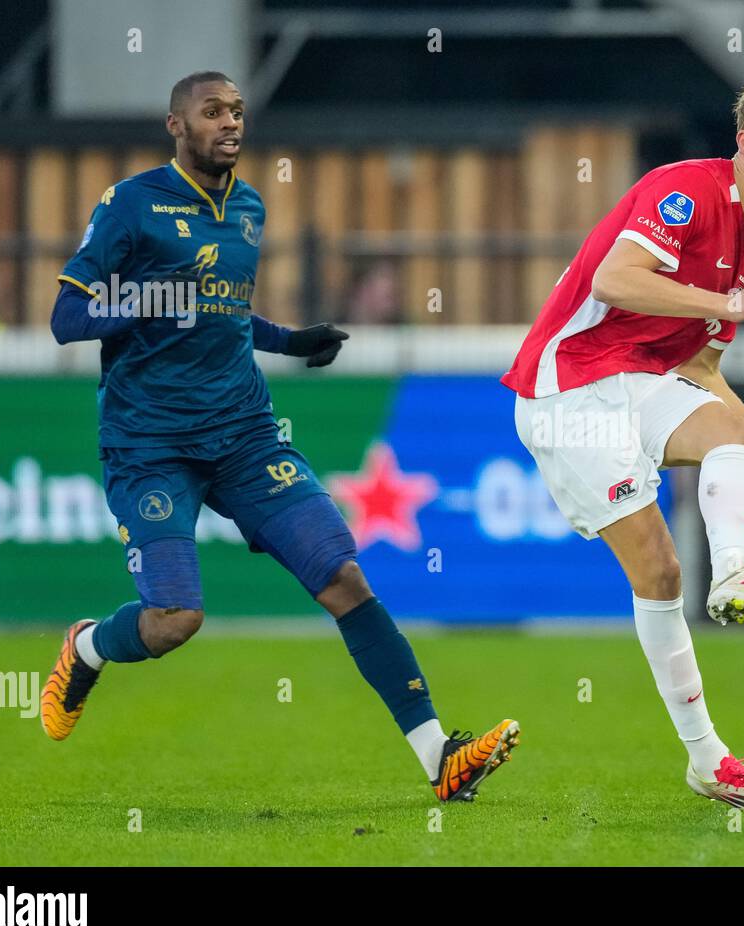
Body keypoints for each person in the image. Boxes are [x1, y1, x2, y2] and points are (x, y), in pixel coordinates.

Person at [43, 71, 518, 803]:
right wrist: (147, 301)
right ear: (176, 125)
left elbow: (224, 314)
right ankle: (87, 648)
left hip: (244, 435)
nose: (230, 123)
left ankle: (440, 760)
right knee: (176, 620)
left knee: (343, 577)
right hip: (150, 444)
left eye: (237, 111)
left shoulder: (250, 208)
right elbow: (66, 319)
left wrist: (293, 341)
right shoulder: (130, 205)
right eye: (212, 112)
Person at [502, 73, 744, 812]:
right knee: (657, 572)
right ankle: (709, 758)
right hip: (568, 390)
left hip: (638, 382)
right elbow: (619, 278)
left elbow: (699, 369)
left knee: (723, 430)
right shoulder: (684, 188)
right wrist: (727, 301)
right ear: (743, 141)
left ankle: (737, 576)